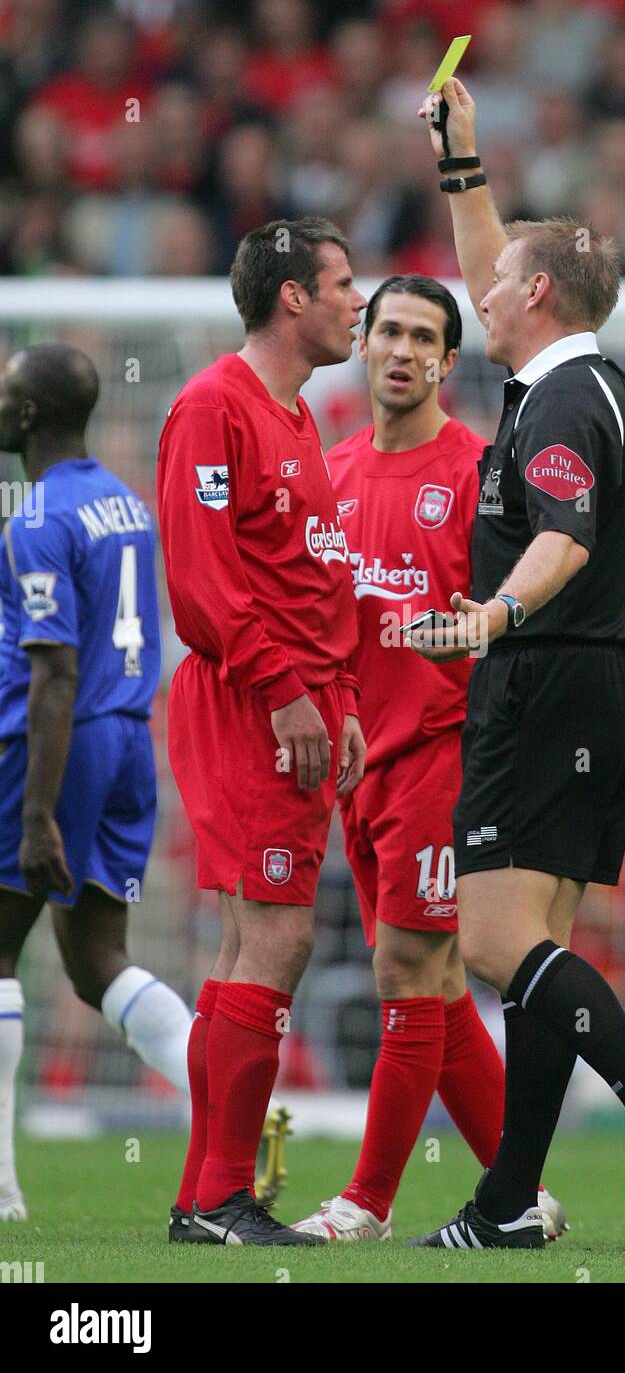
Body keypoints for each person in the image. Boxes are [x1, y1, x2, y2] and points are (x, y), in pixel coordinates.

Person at [407, 78, 625, 1252]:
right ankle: (506, 1204)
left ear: (537, 296)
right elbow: (501, 251)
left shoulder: (559, 407)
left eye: (495, 284)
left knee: (493, 941)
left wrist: (488, 618)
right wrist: (463, 165)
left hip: (545, 676)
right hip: (592, 683)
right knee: (532, 956)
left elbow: (562, 536)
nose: (476, 289)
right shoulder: (578, 379)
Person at [290, 275, 566, 1241]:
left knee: (408, 970)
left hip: (447, 761)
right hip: (360, 766)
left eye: (423, 339)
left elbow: (528, 616)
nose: (402, 351)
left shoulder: (482, 478)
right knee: (433, 987)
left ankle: (364, 1204)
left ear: (450, 362)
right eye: (388, 332)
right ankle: (520, 1195)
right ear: (363, 346)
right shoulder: (335, 470)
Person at [157, 217, 368, 1246]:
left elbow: (312, 576)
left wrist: (347, 699)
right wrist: (290, 691)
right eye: (340, 283)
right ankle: (220, 1198)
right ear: (292, 297)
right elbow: (199, 581)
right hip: (251, 700)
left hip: (298, 699)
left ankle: (205, 1193)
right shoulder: (212, 407)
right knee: (279, 933)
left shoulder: (294, 418)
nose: (356, 301)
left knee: (253, 935)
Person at [0, 343, 192, 1223]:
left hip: (59, 743)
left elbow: (55, 671)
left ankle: (1, 1187)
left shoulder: (36, 517)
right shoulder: (121, 500)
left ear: (29, 416)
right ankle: (234, 1112)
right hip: (127, 740)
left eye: (5, 393)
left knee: (1, 952)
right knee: (96, 961)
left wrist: (37, 813)